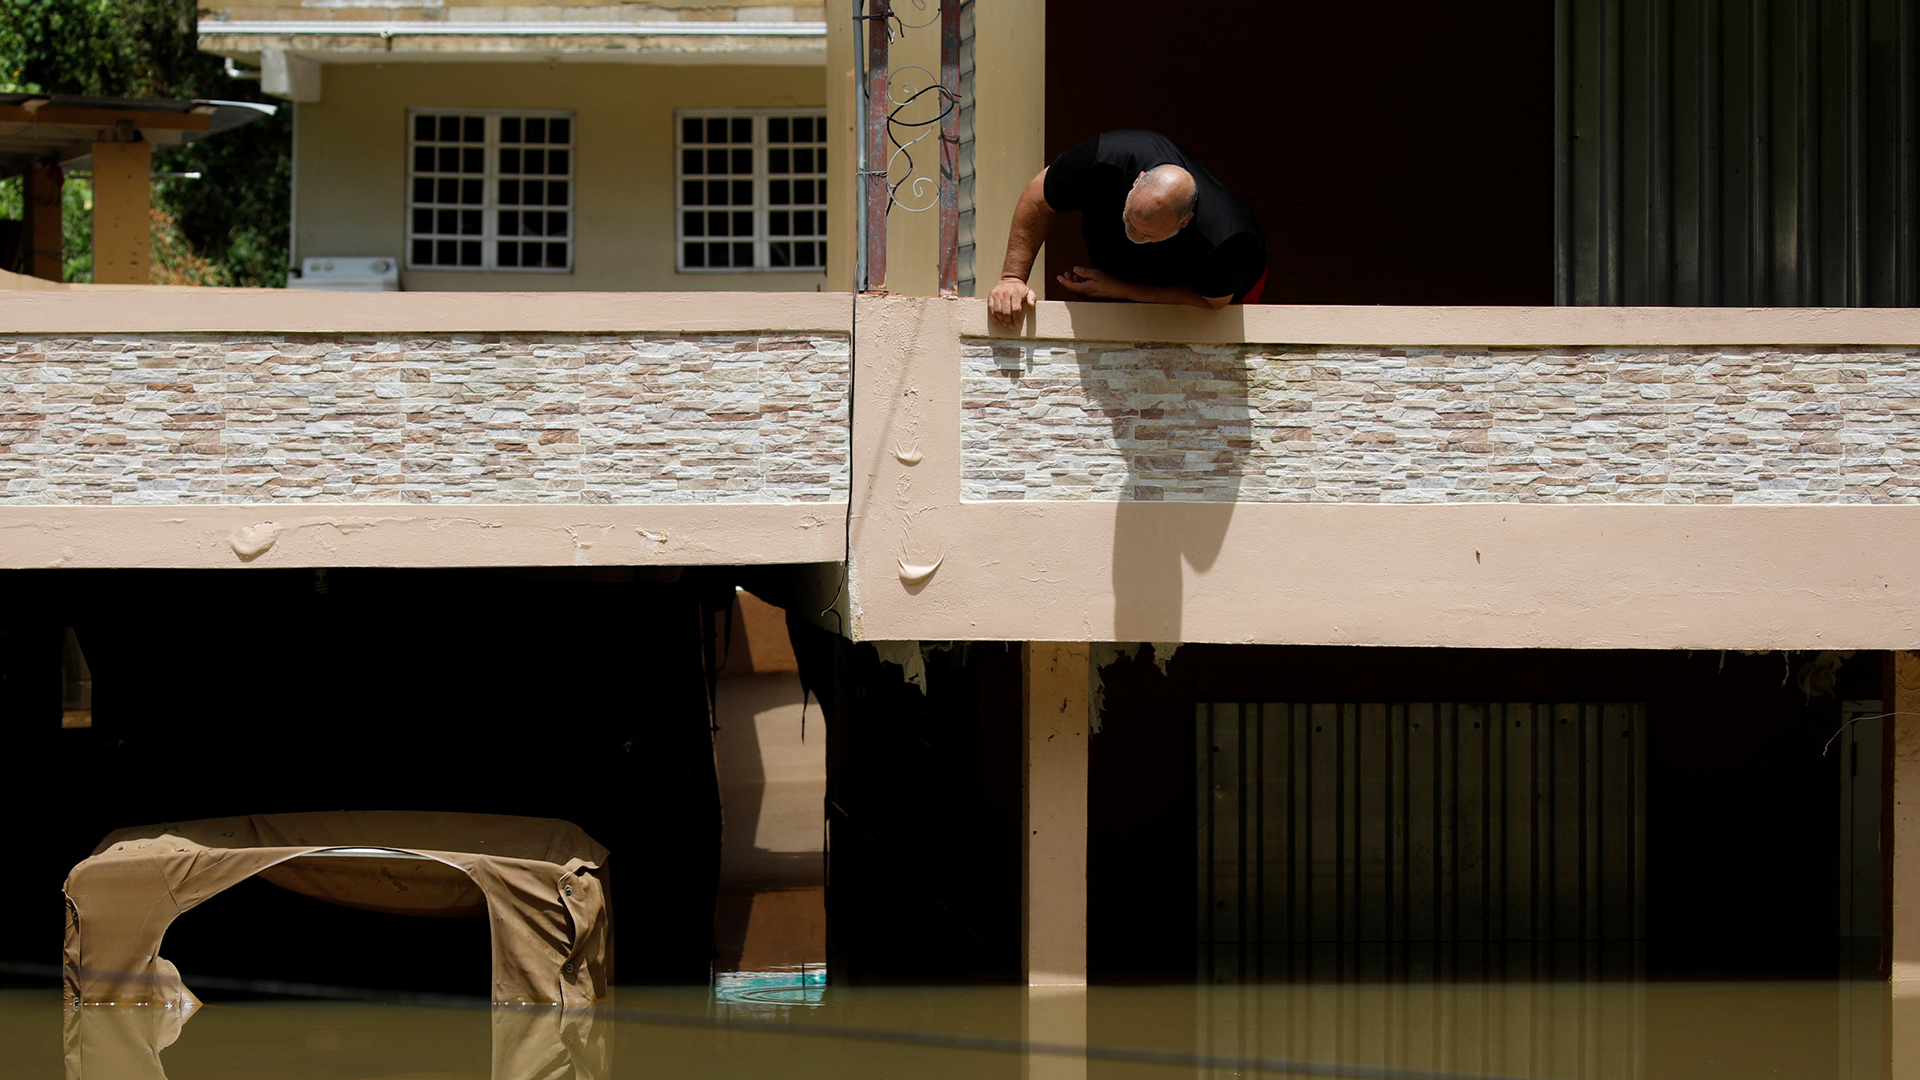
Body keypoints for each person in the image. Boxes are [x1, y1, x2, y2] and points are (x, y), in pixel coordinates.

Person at [988, 129, 1268, 329]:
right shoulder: (1108, 157)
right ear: (1137, 181)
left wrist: (1120, 289)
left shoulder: (1228, 243)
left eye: (1146, 235)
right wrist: (1012, 278)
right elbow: (1039, 196)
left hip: (1219, 288)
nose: (1132, 235)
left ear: (1185, 221)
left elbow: (1212, 302)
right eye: (1129, 220)